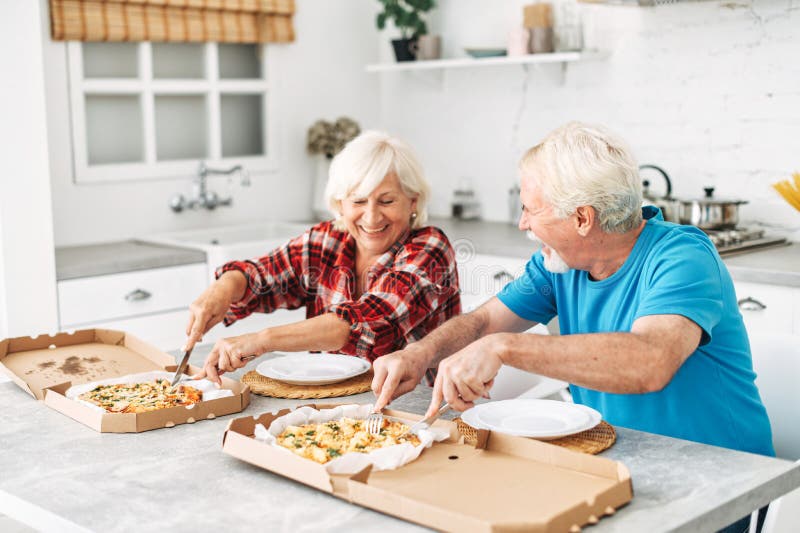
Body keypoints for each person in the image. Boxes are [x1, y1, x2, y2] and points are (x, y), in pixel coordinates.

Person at [371, 121, 774, 459]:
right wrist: (418, 353)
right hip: (626, 462)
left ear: (582, 218)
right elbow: (483, 323)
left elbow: (651, 360)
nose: (522, 223)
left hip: (723, 481)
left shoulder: (683, 256)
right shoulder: (560, 264)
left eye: (531, 209)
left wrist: (505, 348)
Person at [187, 130, 461, 384]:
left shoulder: (430, 248)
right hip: (339, 408)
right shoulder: (327, 240)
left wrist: (263, 340)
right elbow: (261, 277)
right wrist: (223, 288)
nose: (372, 216)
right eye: (358, 201)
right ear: (340, 203)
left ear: (413, 201)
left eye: (387, 201)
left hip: (419, 408)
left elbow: (363, 324)